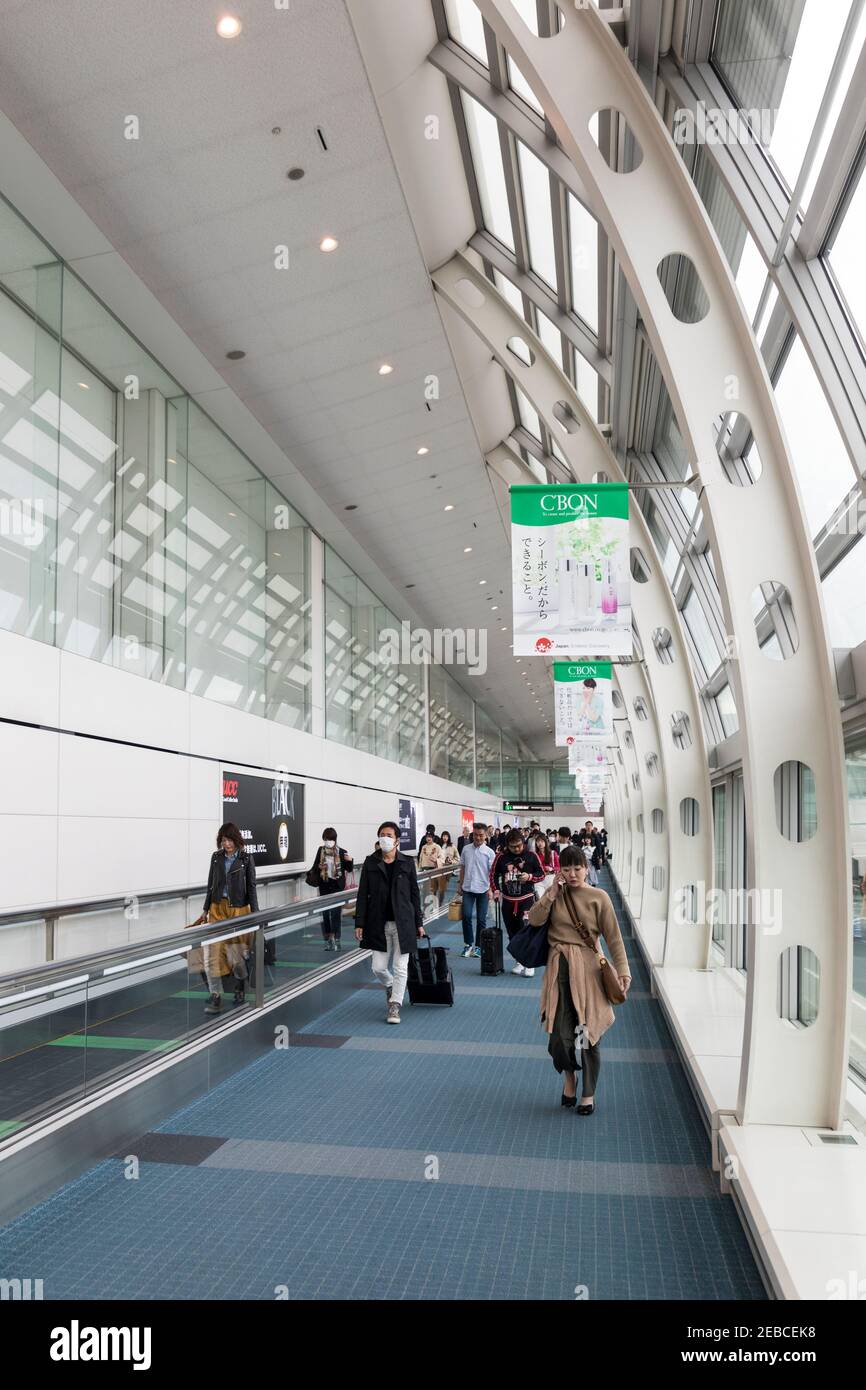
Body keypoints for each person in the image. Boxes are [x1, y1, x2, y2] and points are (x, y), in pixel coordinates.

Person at [526, 846, 631, 1113]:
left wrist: (623, 971)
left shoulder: (599, 897)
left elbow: (614, 938)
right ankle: (570, 1075)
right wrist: (550, 894)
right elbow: (535, 920)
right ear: (560, 869)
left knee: (588, 1032)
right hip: (559, 967)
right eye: (567, 868)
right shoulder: (555, 894)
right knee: (559, 1036)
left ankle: (588, 1093)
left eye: (577, 868)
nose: (572, 874)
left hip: (589, 970)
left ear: (586, 868)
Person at [355, 820, 425, 1024]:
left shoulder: (407, 862)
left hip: (404, 923)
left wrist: (419, 922)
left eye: (389, 835)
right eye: (382, 834)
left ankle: (395, 1006)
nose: (384, 838)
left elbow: (414, 894)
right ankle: (391, 986)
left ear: (397, 840)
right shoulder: (370, 862)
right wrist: (359, 922)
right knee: (377, 967)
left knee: (400, 966)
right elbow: (362, 894)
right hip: (378, 924)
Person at [191, 822, 258, 1015]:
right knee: (211, 953)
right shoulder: (216, 857)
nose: (226, 844)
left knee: (235, 955)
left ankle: (239, 986)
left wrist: (255, 913)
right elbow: (211, 884)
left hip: (237, 909)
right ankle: (216, 996)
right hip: (217, 908)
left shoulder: (246, 858)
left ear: (237, 840)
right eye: (223, 840)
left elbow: (251, 887)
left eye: (229, 840)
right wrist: (205, 909)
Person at [490, 829, 544, 977]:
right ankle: (519, 961)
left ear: (523, 843)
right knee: (513, 933)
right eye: (513, 846)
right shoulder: (501, 857)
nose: (517, 849)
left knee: (527, 930)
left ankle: (529, 963)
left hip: (526, 900)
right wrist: (496, 890)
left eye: (519, 845)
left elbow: (542, 874)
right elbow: (493, 874)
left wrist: (530, 876)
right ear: (507, 845)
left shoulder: (531, 856)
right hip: (508, 901)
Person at [306, 828, 354, 951]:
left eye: (331, 839)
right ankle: (328, 939)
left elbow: (348, 869)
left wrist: (350, 861)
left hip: (337, 886)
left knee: (336, 913)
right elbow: (315, 866)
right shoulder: (321, 851)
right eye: (326, 839)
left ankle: (336, 938)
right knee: (325, 913)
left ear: (335, 839)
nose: (328, 841)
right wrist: (319, 866)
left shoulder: (342, 852)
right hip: (325, 885)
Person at [458, 822, 495, 958]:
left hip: (483, 889)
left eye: (481, 835)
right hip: (467, 887)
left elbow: (492, 873)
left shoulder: (489, 852)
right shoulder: (466, 849)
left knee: (481, 919)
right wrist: (460, 884)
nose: (478, 838)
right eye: (476, 835)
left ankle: (479, 946)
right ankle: (468, 944)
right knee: (466, 916)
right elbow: (462, 867)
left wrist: (491, 889)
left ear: (485, 836)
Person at [437, 830, 459, 904]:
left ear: (448, 837)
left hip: (447, 869)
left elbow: (457, 858)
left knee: (443, 888)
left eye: (446, 836)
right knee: (437, 888)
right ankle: (437, 903)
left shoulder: (452, 846)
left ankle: (441, 903)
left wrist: (451, 861)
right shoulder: (438, 845)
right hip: (438, 868)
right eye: (443, 836)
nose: (445, 837)